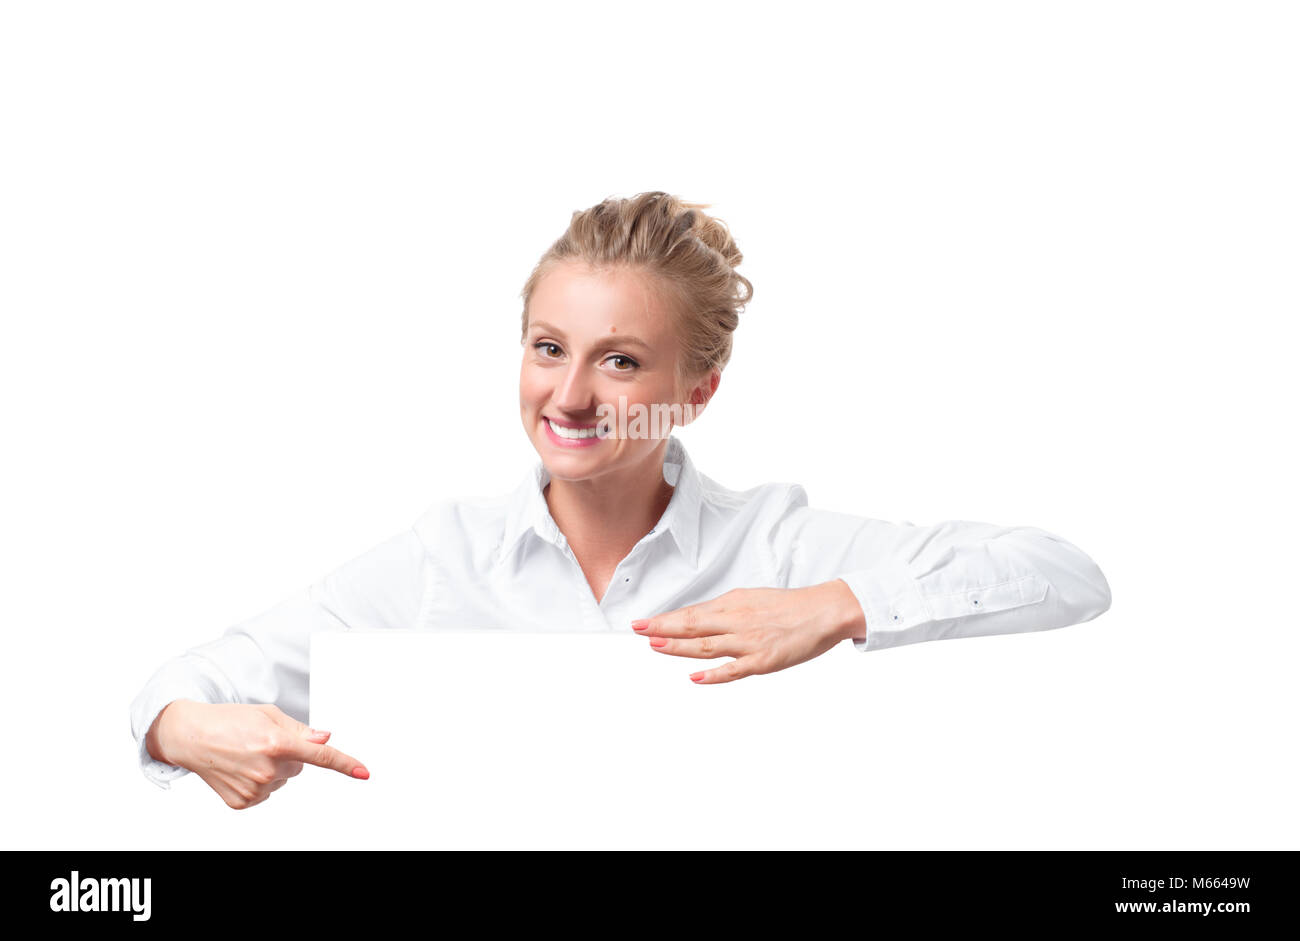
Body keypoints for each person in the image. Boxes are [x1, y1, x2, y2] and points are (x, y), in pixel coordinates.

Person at [130, 191, 1113, 810]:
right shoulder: (441, 559)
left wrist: (835, 605)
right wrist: (181, 729)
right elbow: (182, 683)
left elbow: (1062, 571)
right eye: (548, 347)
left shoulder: (774, 547)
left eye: (621, 362)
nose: (566, 397)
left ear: (699, 390)